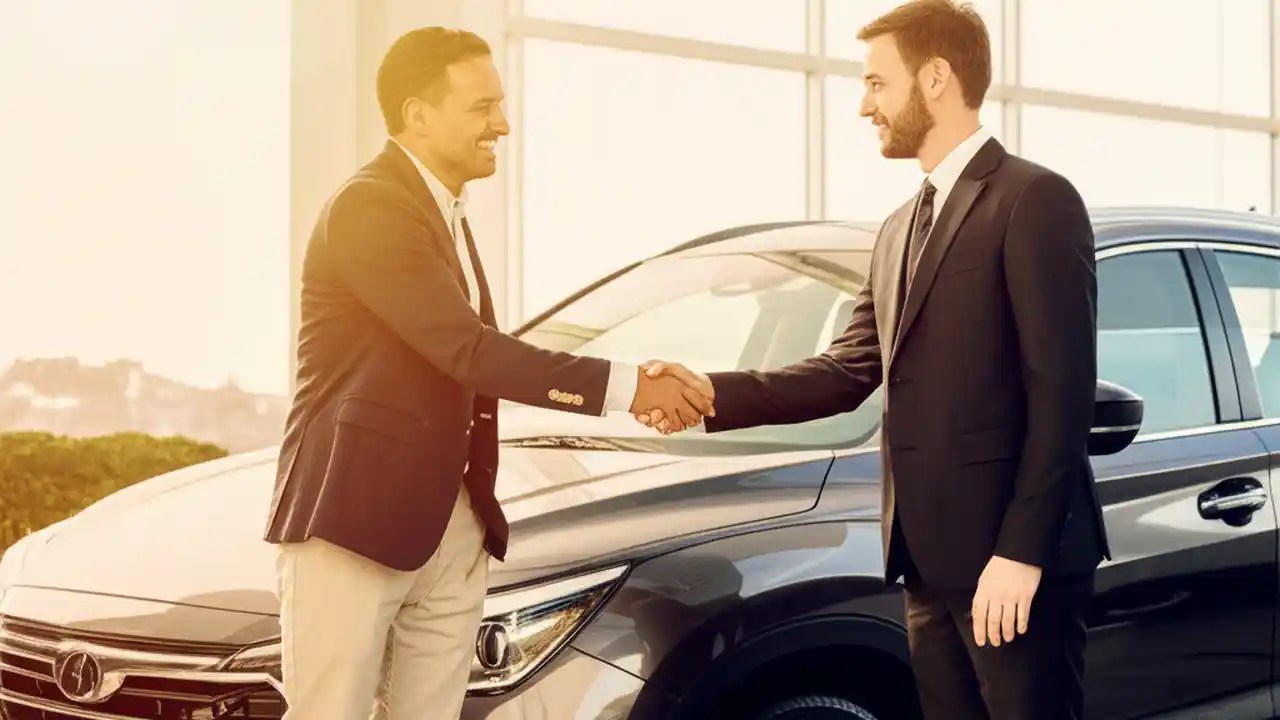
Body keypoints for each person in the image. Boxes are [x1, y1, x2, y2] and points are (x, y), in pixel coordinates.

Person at [639, 1, 1109, 717]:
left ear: (936, 79)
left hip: (1012, 567)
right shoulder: (895, 231)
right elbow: (846, 370)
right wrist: (711, 391)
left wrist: (1023, 555)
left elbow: (1062, 394)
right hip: (925, 564)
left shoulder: (1034, 200)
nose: (864, 106)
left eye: (877, 83)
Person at [263, 27, 712, 720]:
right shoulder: (370, 207)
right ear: (418, 114)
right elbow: (469, 351)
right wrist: (631, 388)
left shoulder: (443, 212)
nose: (502, 123)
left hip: (451, 524)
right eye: (481, 107)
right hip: (353, 520)